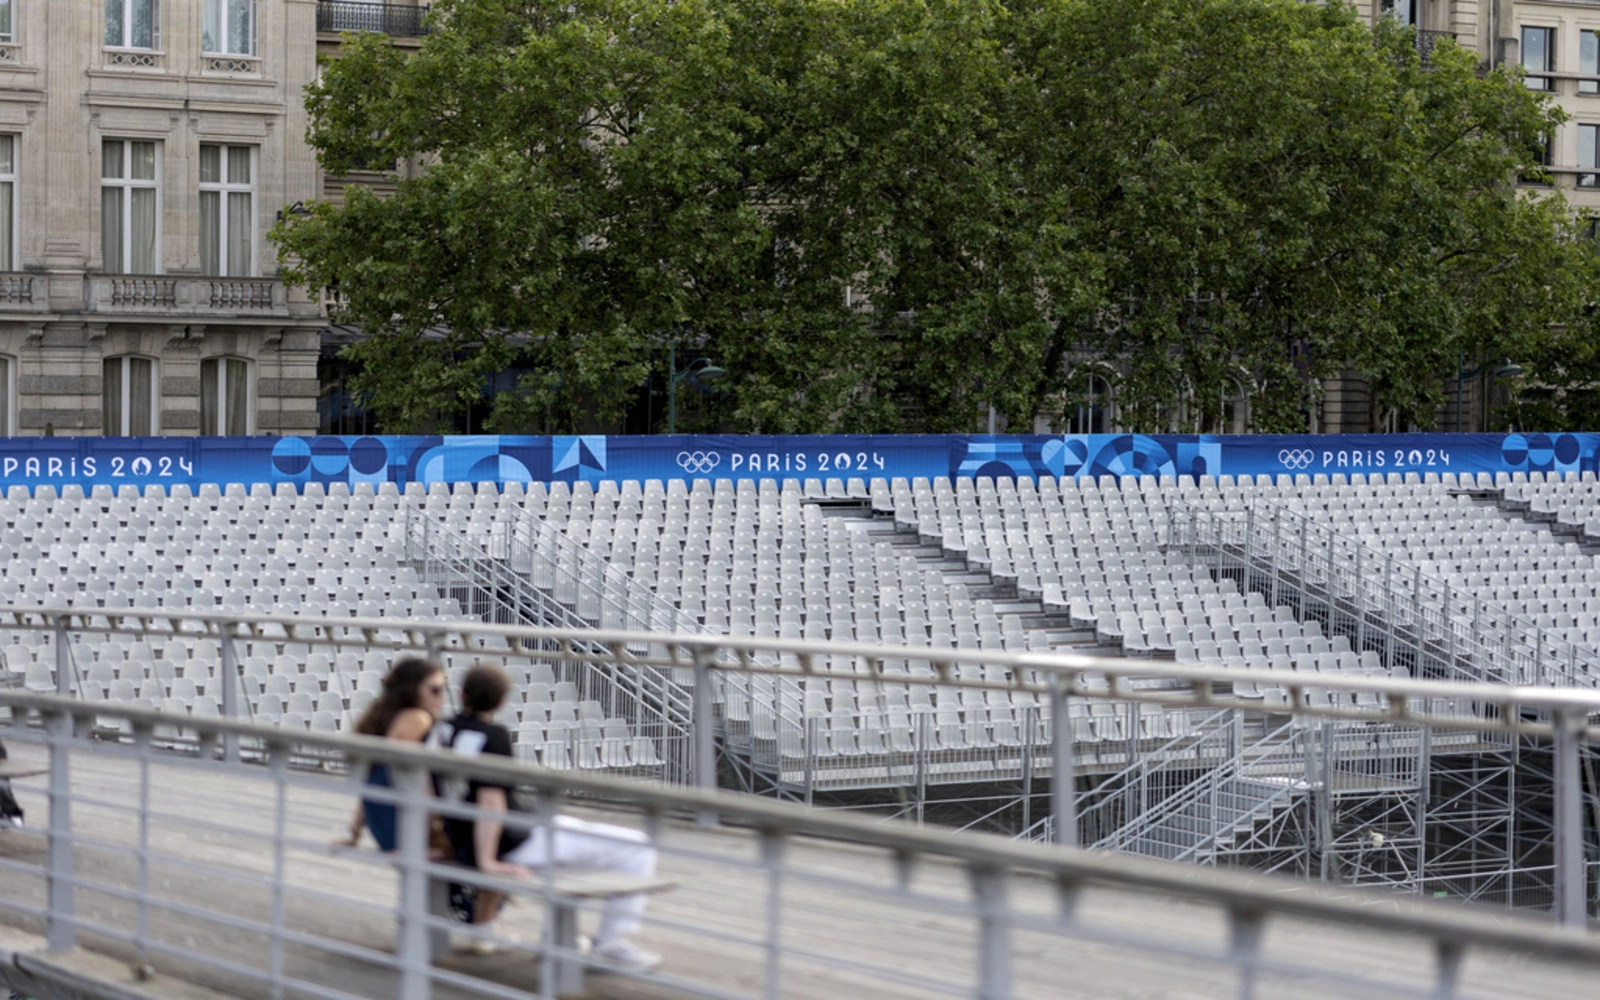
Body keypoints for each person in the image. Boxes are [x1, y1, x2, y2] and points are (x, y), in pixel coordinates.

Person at [436, 663, 663, 972]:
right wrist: (488, 861)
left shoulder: (442, 730)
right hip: (517, 841)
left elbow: (430, 790)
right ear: (501, 702)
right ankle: (610, 942)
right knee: (638, 846)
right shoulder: (493, 736)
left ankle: (556, 937)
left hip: (475, 841)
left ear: (462, 695)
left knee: (573, 845)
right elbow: (491, 803)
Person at [338, 656, 448, 851]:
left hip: (385, 820)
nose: (442, 697)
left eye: (443, 689)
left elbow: (375, 777)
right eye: (435, 690)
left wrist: (354, 832)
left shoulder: (388, 716)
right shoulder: (418, 719)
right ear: (413, 689)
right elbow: (414, 781)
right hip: (404, 824)